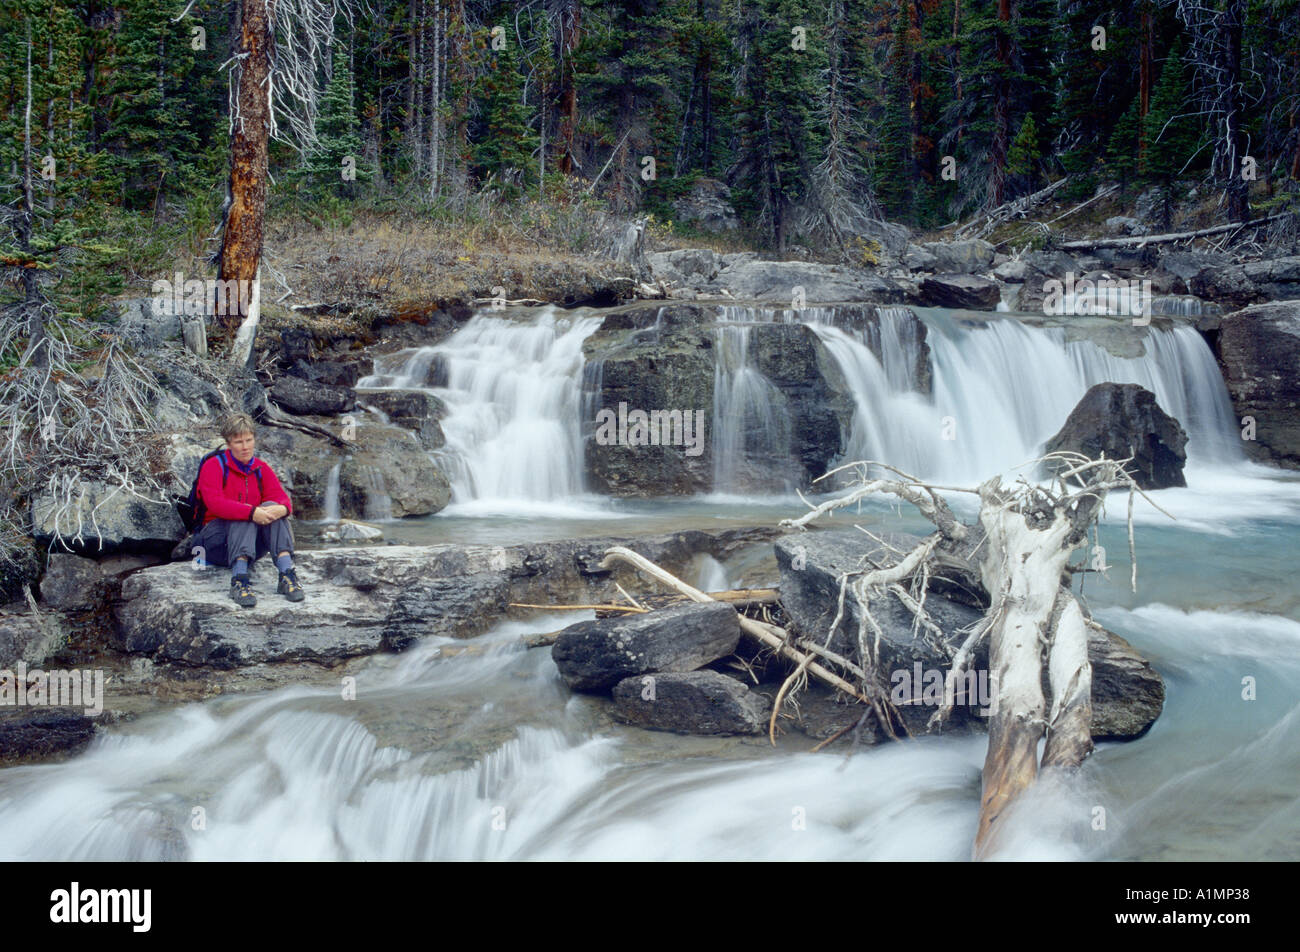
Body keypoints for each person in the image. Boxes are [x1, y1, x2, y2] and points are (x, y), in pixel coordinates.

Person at [192, 412, 305, 607]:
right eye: (238, 442)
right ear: (228, 444)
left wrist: (282, 509)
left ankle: (287, 575)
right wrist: (252, 512)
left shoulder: (261, 468)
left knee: (272, 508)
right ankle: (239, 580)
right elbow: (215, 504)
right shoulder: (213, 466)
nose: (245, 447)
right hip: (212, 545)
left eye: (249, 440)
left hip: (250, 546)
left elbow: (283, 500)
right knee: (243, 513)